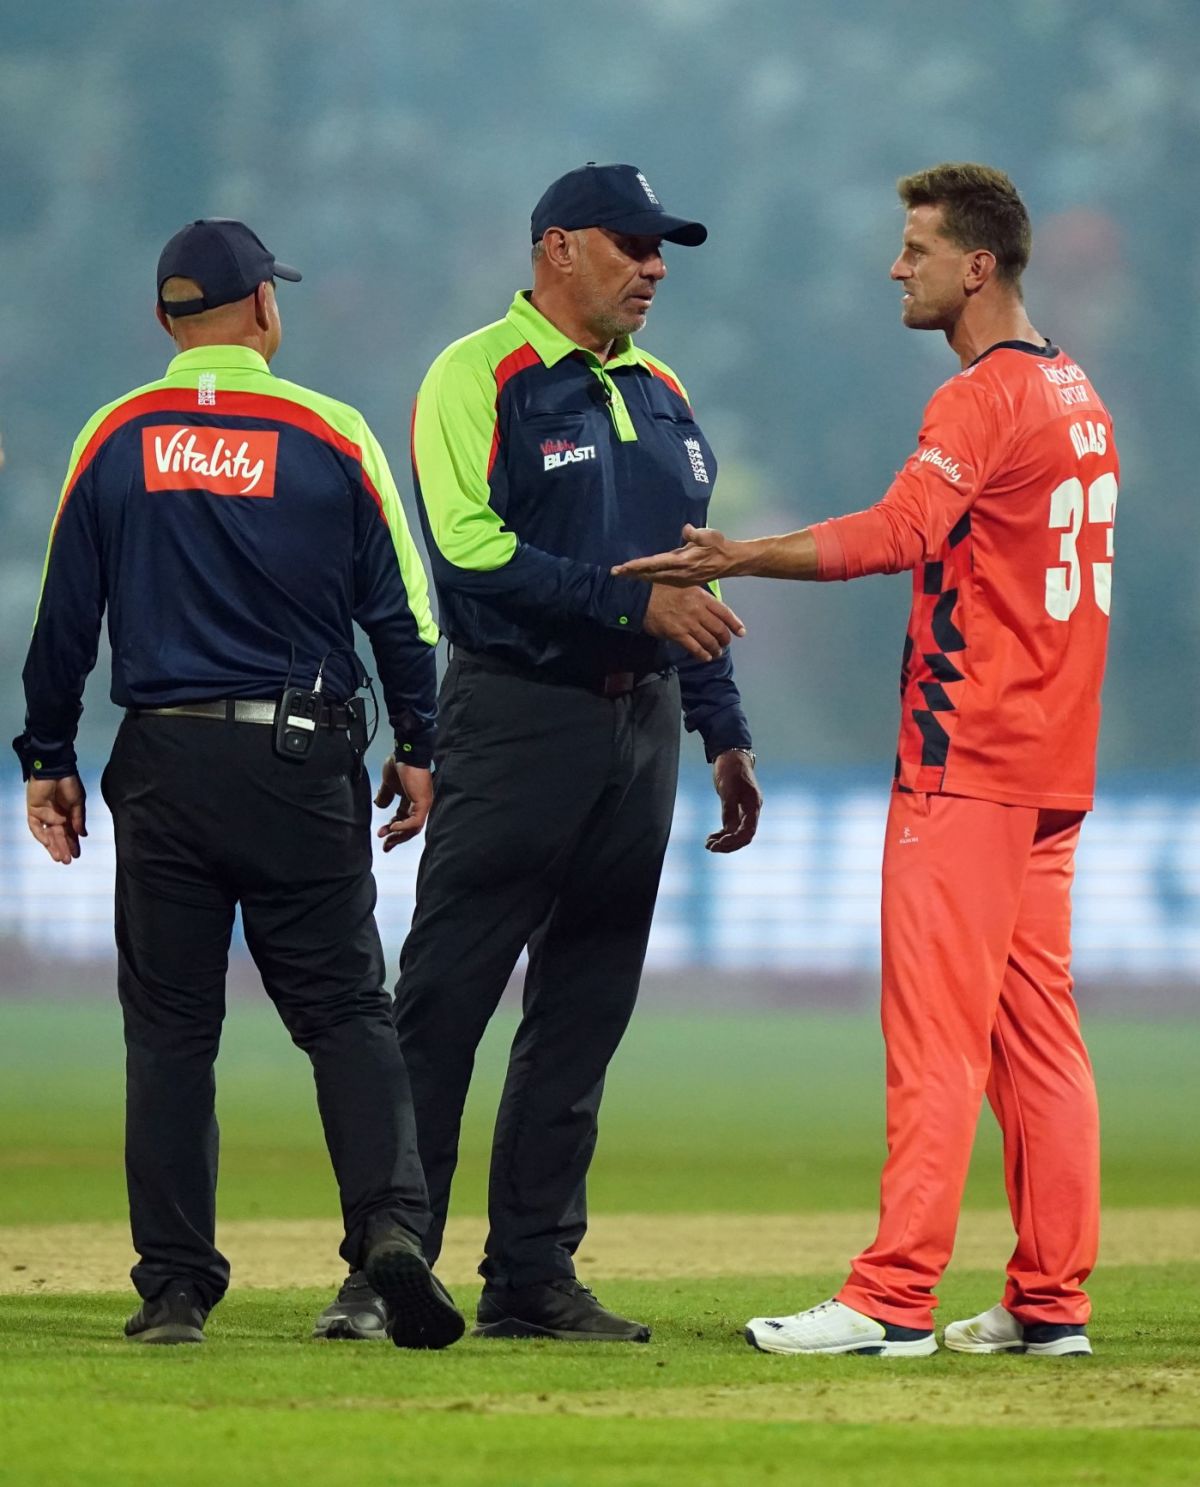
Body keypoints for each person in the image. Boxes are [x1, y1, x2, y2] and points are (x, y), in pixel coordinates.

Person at [616, 163, 1118, 1358]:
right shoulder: (1077, 391)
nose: (899, 266)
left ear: (977, 266)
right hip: (1052, 762)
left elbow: (900, 533)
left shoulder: (982, 399)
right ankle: (1052, 1298)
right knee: (1036, 1035)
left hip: (969, 762)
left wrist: (733, 556)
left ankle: (890, 1293)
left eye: (917, 246)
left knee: (936, 1032)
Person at [314, 162, 761, 1345]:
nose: (656, 264)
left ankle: (532, 1272)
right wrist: (634, 615)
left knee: (584, 1008)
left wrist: (723, 726)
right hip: (518, 713)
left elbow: (688, 574)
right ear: (556, 247)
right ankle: (383, 1259)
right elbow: (463, 547)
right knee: (446, 998)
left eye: (663, 246)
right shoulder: (479, 374)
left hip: (643, 727)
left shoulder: (662, 390)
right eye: (632, 243)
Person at [13, 218, 465, 1351]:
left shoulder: (115, 436)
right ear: (264, 309)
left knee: (169, 1030)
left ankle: (173, 1286)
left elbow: (64, 614)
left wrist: (49, 757)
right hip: (298, 758)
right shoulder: (329, 431)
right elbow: (404, 615)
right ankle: (386, 1244)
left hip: (162, 757)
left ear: (166, 322)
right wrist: (421, 740)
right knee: (346, 1015)